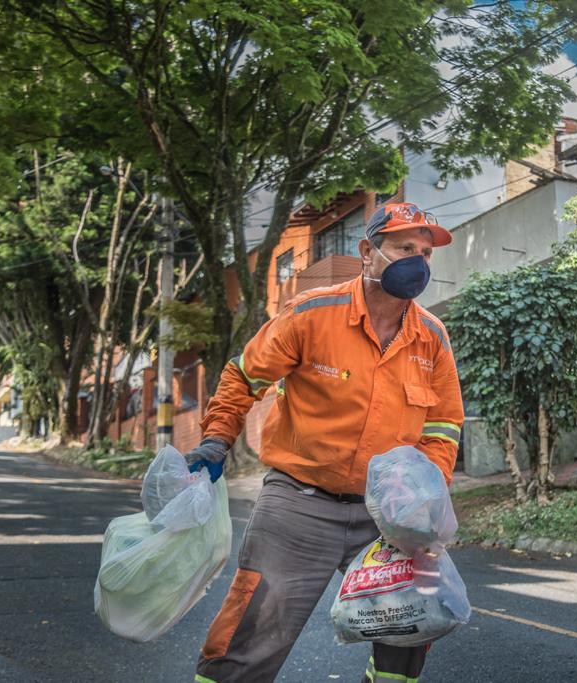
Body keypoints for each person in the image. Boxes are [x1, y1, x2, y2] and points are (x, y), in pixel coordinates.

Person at [189, 201, 464, 683]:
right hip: (298, 505)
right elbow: (243, 376)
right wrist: (217, 439)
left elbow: (443, 424)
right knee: (253, 633)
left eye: (424, 252)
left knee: (412, 624)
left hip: (390, 516)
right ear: (367, 252)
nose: (417, 262)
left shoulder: (432, 338)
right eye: (404, 248)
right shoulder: (313, 314)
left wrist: (427, 497)